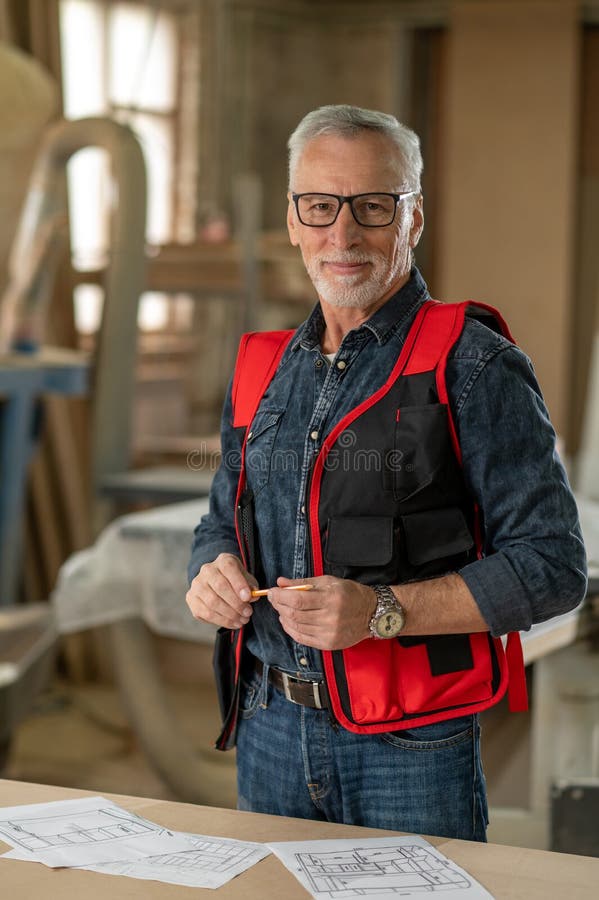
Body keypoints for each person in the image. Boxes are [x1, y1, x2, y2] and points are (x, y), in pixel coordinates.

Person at [186, 104, 587, 841]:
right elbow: (220, 518)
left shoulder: (474, 365)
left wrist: (379, 612)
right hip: (267, 730)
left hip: (410, 748)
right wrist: (211, 565)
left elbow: (553, 568)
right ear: (293, 219)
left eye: (373, 206)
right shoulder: (260, 367)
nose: (342, 234)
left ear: (413, 218)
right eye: (319, 206)